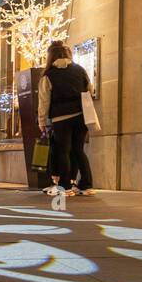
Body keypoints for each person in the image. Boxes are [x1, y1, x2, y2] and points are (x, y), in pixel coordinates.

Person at [38, 41, 96, 197]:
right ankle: (86, 185)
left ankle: (65, 187)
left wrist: (42, 122)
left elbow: (44, 101)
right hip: (81, 116)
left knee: (63, 151)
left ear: (51, 56)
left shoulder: (49, 75)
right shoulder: (80, 70)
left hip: (61, 117)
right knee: (78, 150)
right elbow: (91, 90)